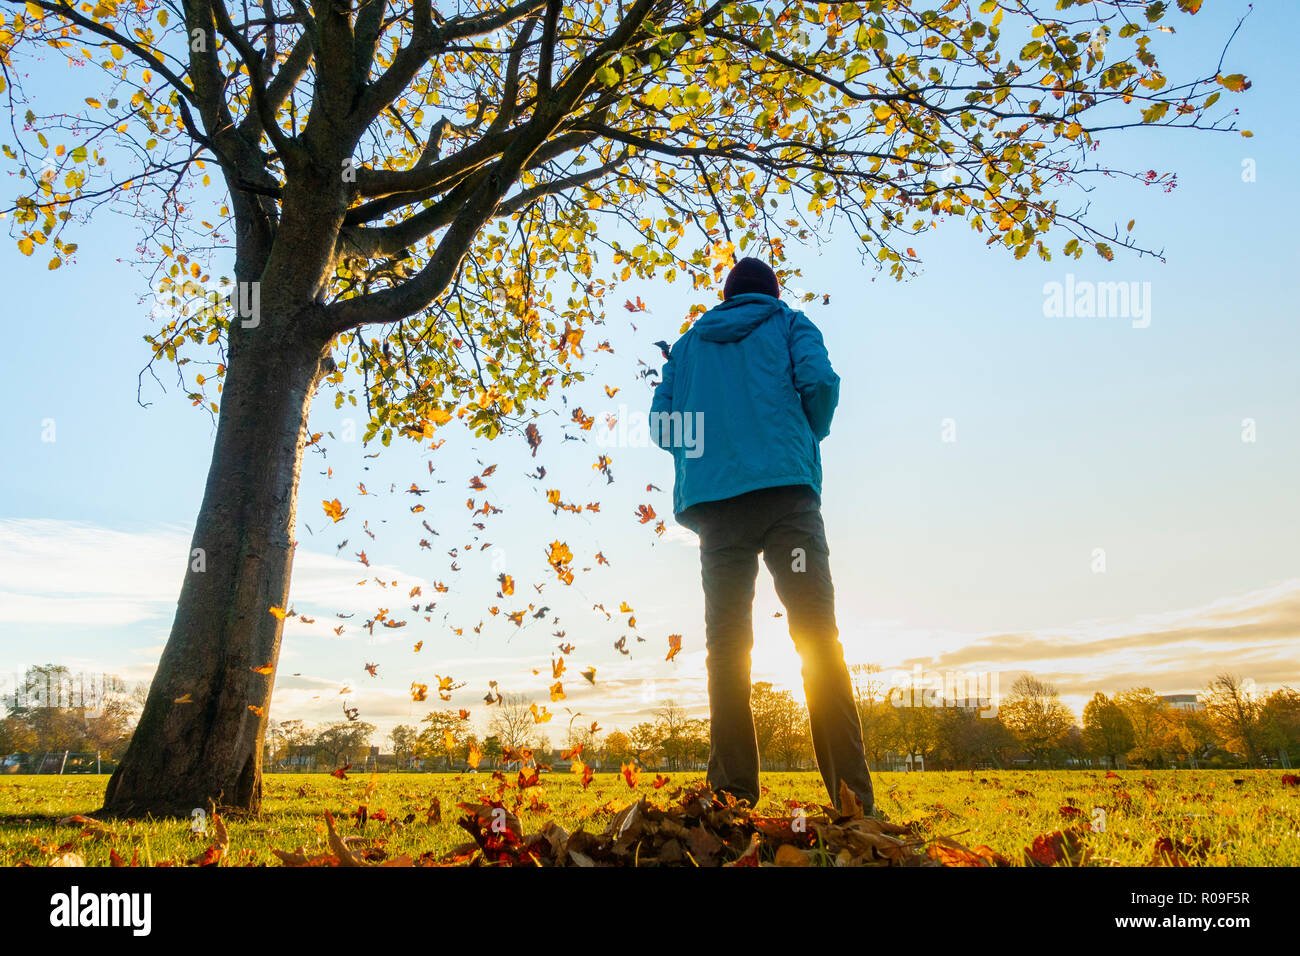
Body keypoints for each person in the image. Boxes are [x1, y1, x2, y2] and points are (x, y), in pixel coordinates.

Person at [650, 256, 874, 813]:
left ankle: (731, 795)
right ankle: (851, 799)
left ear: (725, 297)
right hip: (785, 503)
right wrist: (805, 431)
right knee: (817, 635)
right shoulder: (791, 323)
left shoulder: (688, 347)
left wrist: (706, 454)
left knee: (727, 649)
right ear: (772, 292)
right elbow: (819, 383)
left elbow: (662, 424)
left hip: (719, 512)